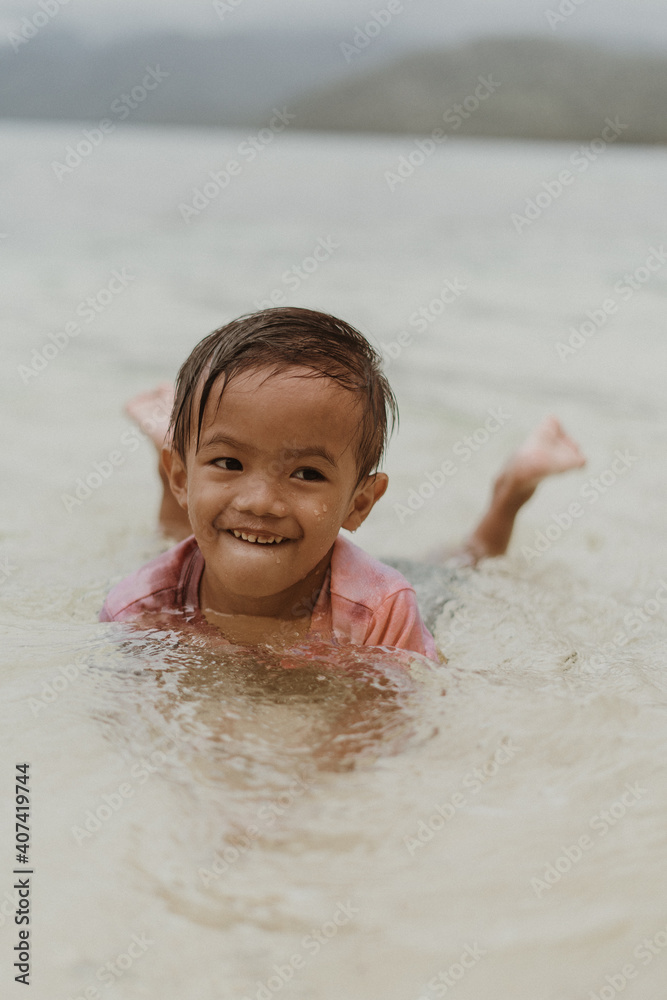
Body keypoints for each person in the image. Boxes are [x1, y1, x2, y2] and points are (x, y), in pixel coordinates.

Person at [100, 307, 585, 659]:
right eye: (229, 462)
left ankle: (512, 491)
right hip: (212, 536)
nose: (262, 501)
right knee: (182, 537)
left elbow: (387, 731)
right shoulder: (141, 604)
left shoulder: (381, 611)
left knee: (464, 565)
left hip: (367, 585)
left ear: (360, 503)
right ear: (181, 475)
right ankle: (170, 454)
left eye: (306, 473)